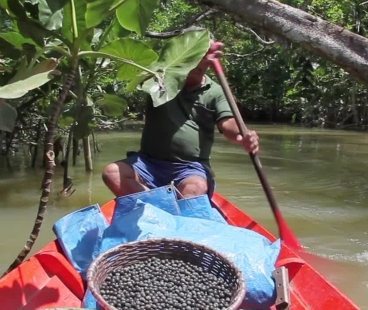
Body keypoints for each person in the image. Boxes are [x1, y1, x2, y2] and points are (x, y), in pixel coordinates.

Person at [102, 40, 260, 199]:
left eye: (205, 59)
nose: (201, 63)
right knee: (112, 173)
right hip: (148, 163)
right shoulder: (159, 79)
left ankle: (162, 203)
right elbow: (150, 64)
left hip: (189, 168)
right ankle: (160, 204)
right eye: (197, 56)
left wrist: (242, 135)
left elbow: (228, 123)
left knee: (194, 189)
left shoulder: (216, 92)